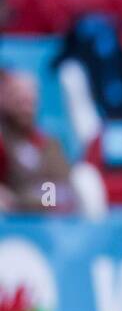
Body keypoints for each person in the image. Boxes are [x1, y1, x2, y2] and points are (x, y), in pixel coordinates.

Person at [0, 68, 73, 214]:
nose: (25, 108)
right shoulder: (3, 142)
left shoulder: (50, 143)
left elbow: (60, 189)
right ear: (5, 101)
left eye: (29, 100)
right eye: (18, 100)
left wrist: (26, 201)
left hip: (50, 220)